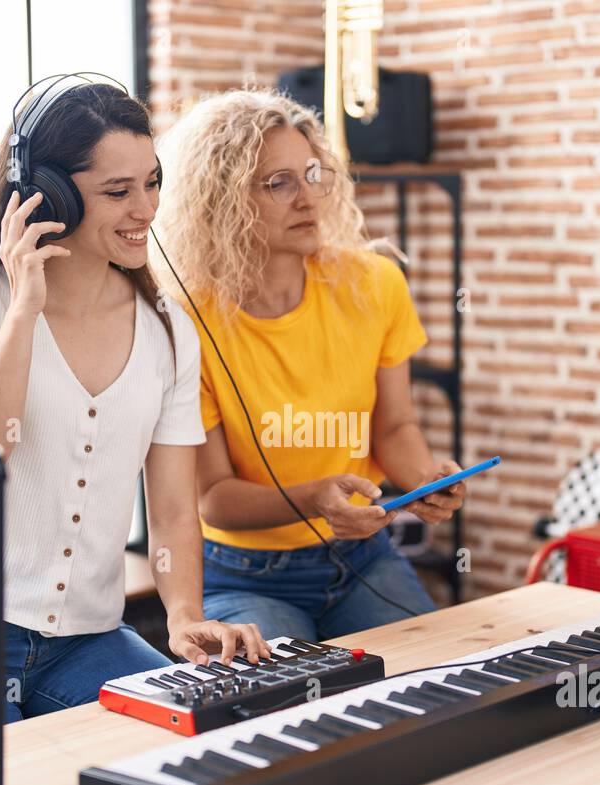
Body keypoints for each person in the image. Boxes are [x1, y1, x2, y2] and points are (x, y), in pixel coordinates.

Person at [0, 79, 265, 755]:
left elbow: (173, 510)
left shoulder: (169, 327)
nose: (146, 209)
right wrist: (25, 308)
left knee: (213, 751)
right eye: (118, 192)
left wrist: (184, 613)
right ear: (45, 194)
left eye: (152, 183)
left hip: (84, 640)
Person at [152, 88, 468, 644]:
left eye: (314, 173)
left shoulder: (375, 284)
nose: (308, 198)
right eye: (279, 182)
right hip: (246, 577)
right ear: (221, 200)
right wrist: (315, 499)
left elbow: (393, 426)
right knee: (279, 710)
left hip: (363, 560)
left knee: (435, 683)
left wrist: (420, 481)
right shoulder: (186, 321)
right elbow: (214, 499)